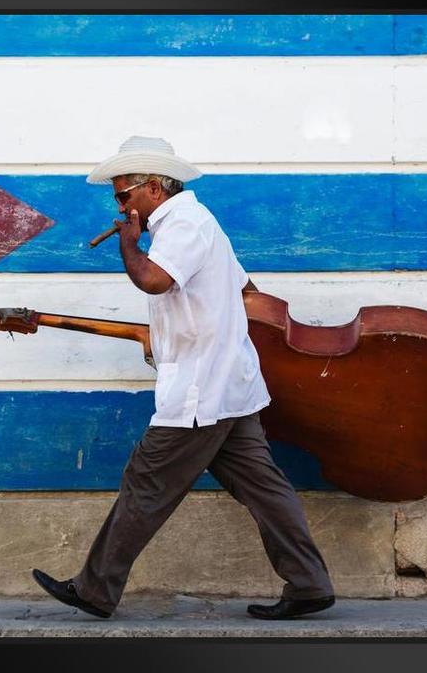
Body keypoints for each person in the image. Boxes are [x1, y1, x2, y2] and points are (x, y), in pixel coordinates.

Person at [31, 136, 335, 620]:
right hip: (229, 385)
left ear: (153, 187)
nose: (120, 205)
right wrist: (193, 326)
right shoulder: (200, 223)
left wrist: (130, 246)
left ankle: (95, 589)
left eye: (123, 195)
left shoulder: (182, 224)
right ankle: (308, 583)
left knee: (146, 483)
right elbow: (245, 289)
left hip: (200, 391)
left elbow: (155, 280)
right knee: (264, 487)